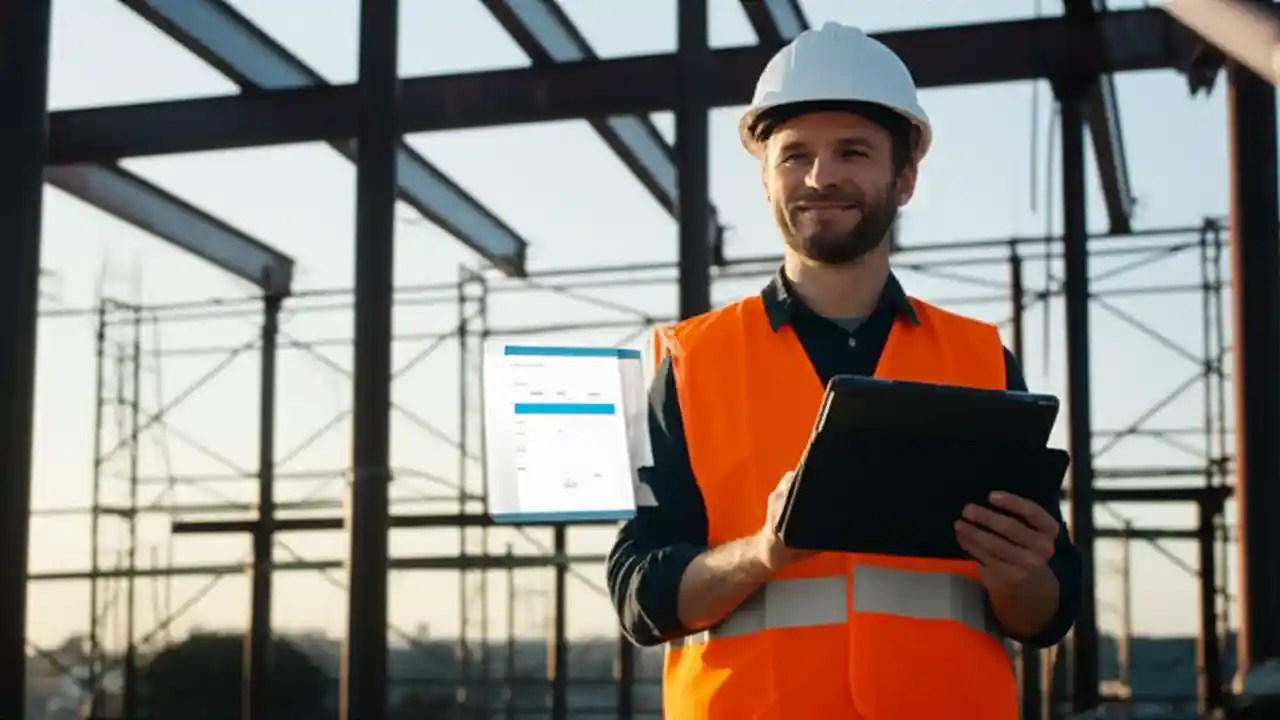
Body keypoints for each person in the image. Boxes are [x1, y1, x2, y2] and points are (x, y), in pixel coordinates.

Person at [605, 21, 1082, 720]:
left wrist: (1020, 574)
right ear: (766, 178)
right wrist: (761, 554)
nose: (821, 178)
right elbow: (638, 597)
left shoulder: (980, 359)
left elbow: (1048, 610)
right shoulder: (692, 363)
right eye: (794, 155)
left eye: (852, 152)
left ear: (905, 178)